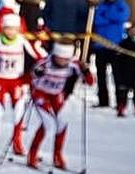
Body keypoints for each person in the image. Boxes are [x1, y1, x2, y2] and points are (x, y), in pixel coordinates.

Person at [0, 13, 46, 156]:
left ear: (18, 29)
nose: (11, 32)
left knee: (18, 112)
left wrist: (40, 68)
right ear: (3, 28)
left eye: (14, 29)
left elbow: (37, 57)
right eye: (8, 28)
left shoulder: (22, 41)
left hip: (17, 80)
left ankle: (17, 143)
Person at [26, 42, 95, 170]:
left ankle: (57, 156)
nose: (63, 61)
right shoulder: (45, 62)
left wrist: (86, 71)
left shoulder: (74, 64)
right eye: (60, 58)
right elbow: (31, 75)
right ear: (55, 55)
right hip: (41, 94)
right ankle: (32, 155)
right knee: (49, 124)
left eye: (66, 59)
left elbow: (91, 82)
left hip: (56, 94)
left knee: (62, 122)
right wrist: (37, 73)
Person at [92, 0, 130, 108]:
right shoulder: (102, 5)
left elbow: (122, 17)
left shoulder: (122, 5)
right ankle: (103, 101)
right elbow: (97, 19)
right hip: (100, 45)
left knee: (118, 76)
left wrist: (107, 16)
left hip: (115, 46)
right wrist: (112, 19)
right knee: (101, 76)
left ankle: (120, 101)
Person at [112, 25, 135, 117]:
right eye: (132, 31)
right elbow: (117, 60)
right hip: (125, 71)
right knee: (122, 91)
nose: (134, 33)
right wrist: (117, 73)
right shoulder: (123, 43)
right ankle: (120, 108)